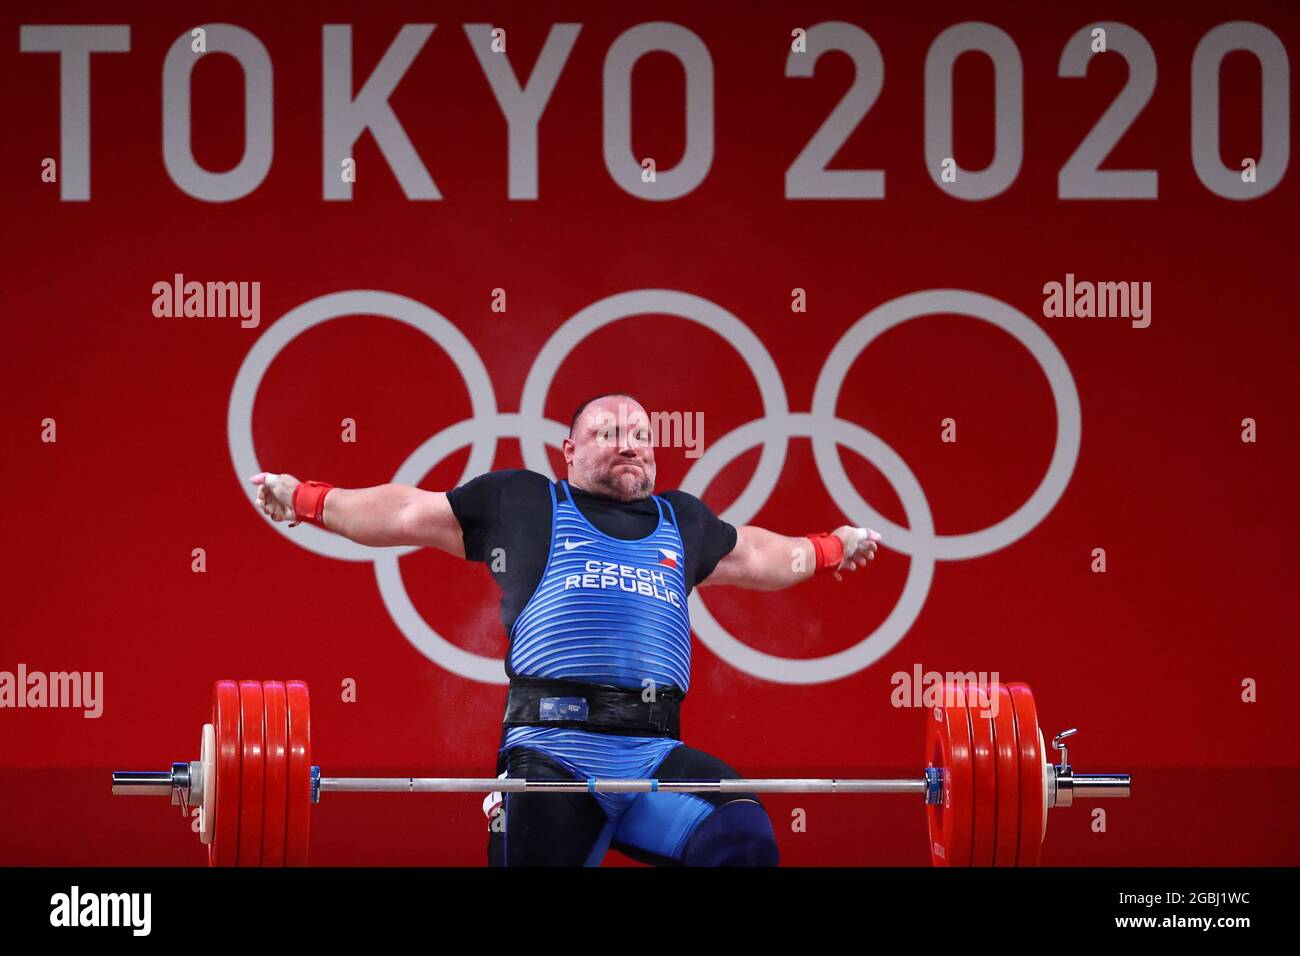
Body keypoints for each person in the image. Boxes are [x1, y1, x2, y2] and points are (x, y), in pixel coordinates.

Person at [250, 393, 880, 866]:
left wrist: (831, 546)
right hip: (552, 754)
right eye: (609, 433)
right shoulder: (523, 503)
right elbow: (407, 510)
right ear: (569, 451)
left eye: (641, 434)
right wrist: (308, 499)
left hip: (652, 755)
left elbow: (763, 555)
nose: (629, 443)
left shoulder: (682, 522)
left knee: (743, 838)